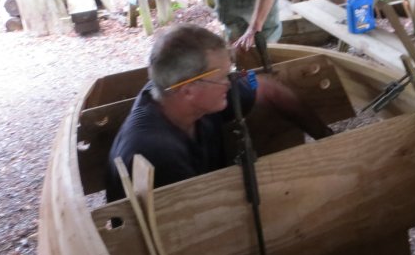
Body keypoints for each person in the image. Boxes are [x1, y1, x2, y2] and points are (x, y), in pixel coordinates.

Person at [106, 24, 332, 202]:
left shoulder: (180, 92)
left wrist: (327, 138)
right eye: (224, 76)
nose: (231, 82)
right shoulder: (157, 156)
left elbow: (262, 84)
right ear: (188, 90)